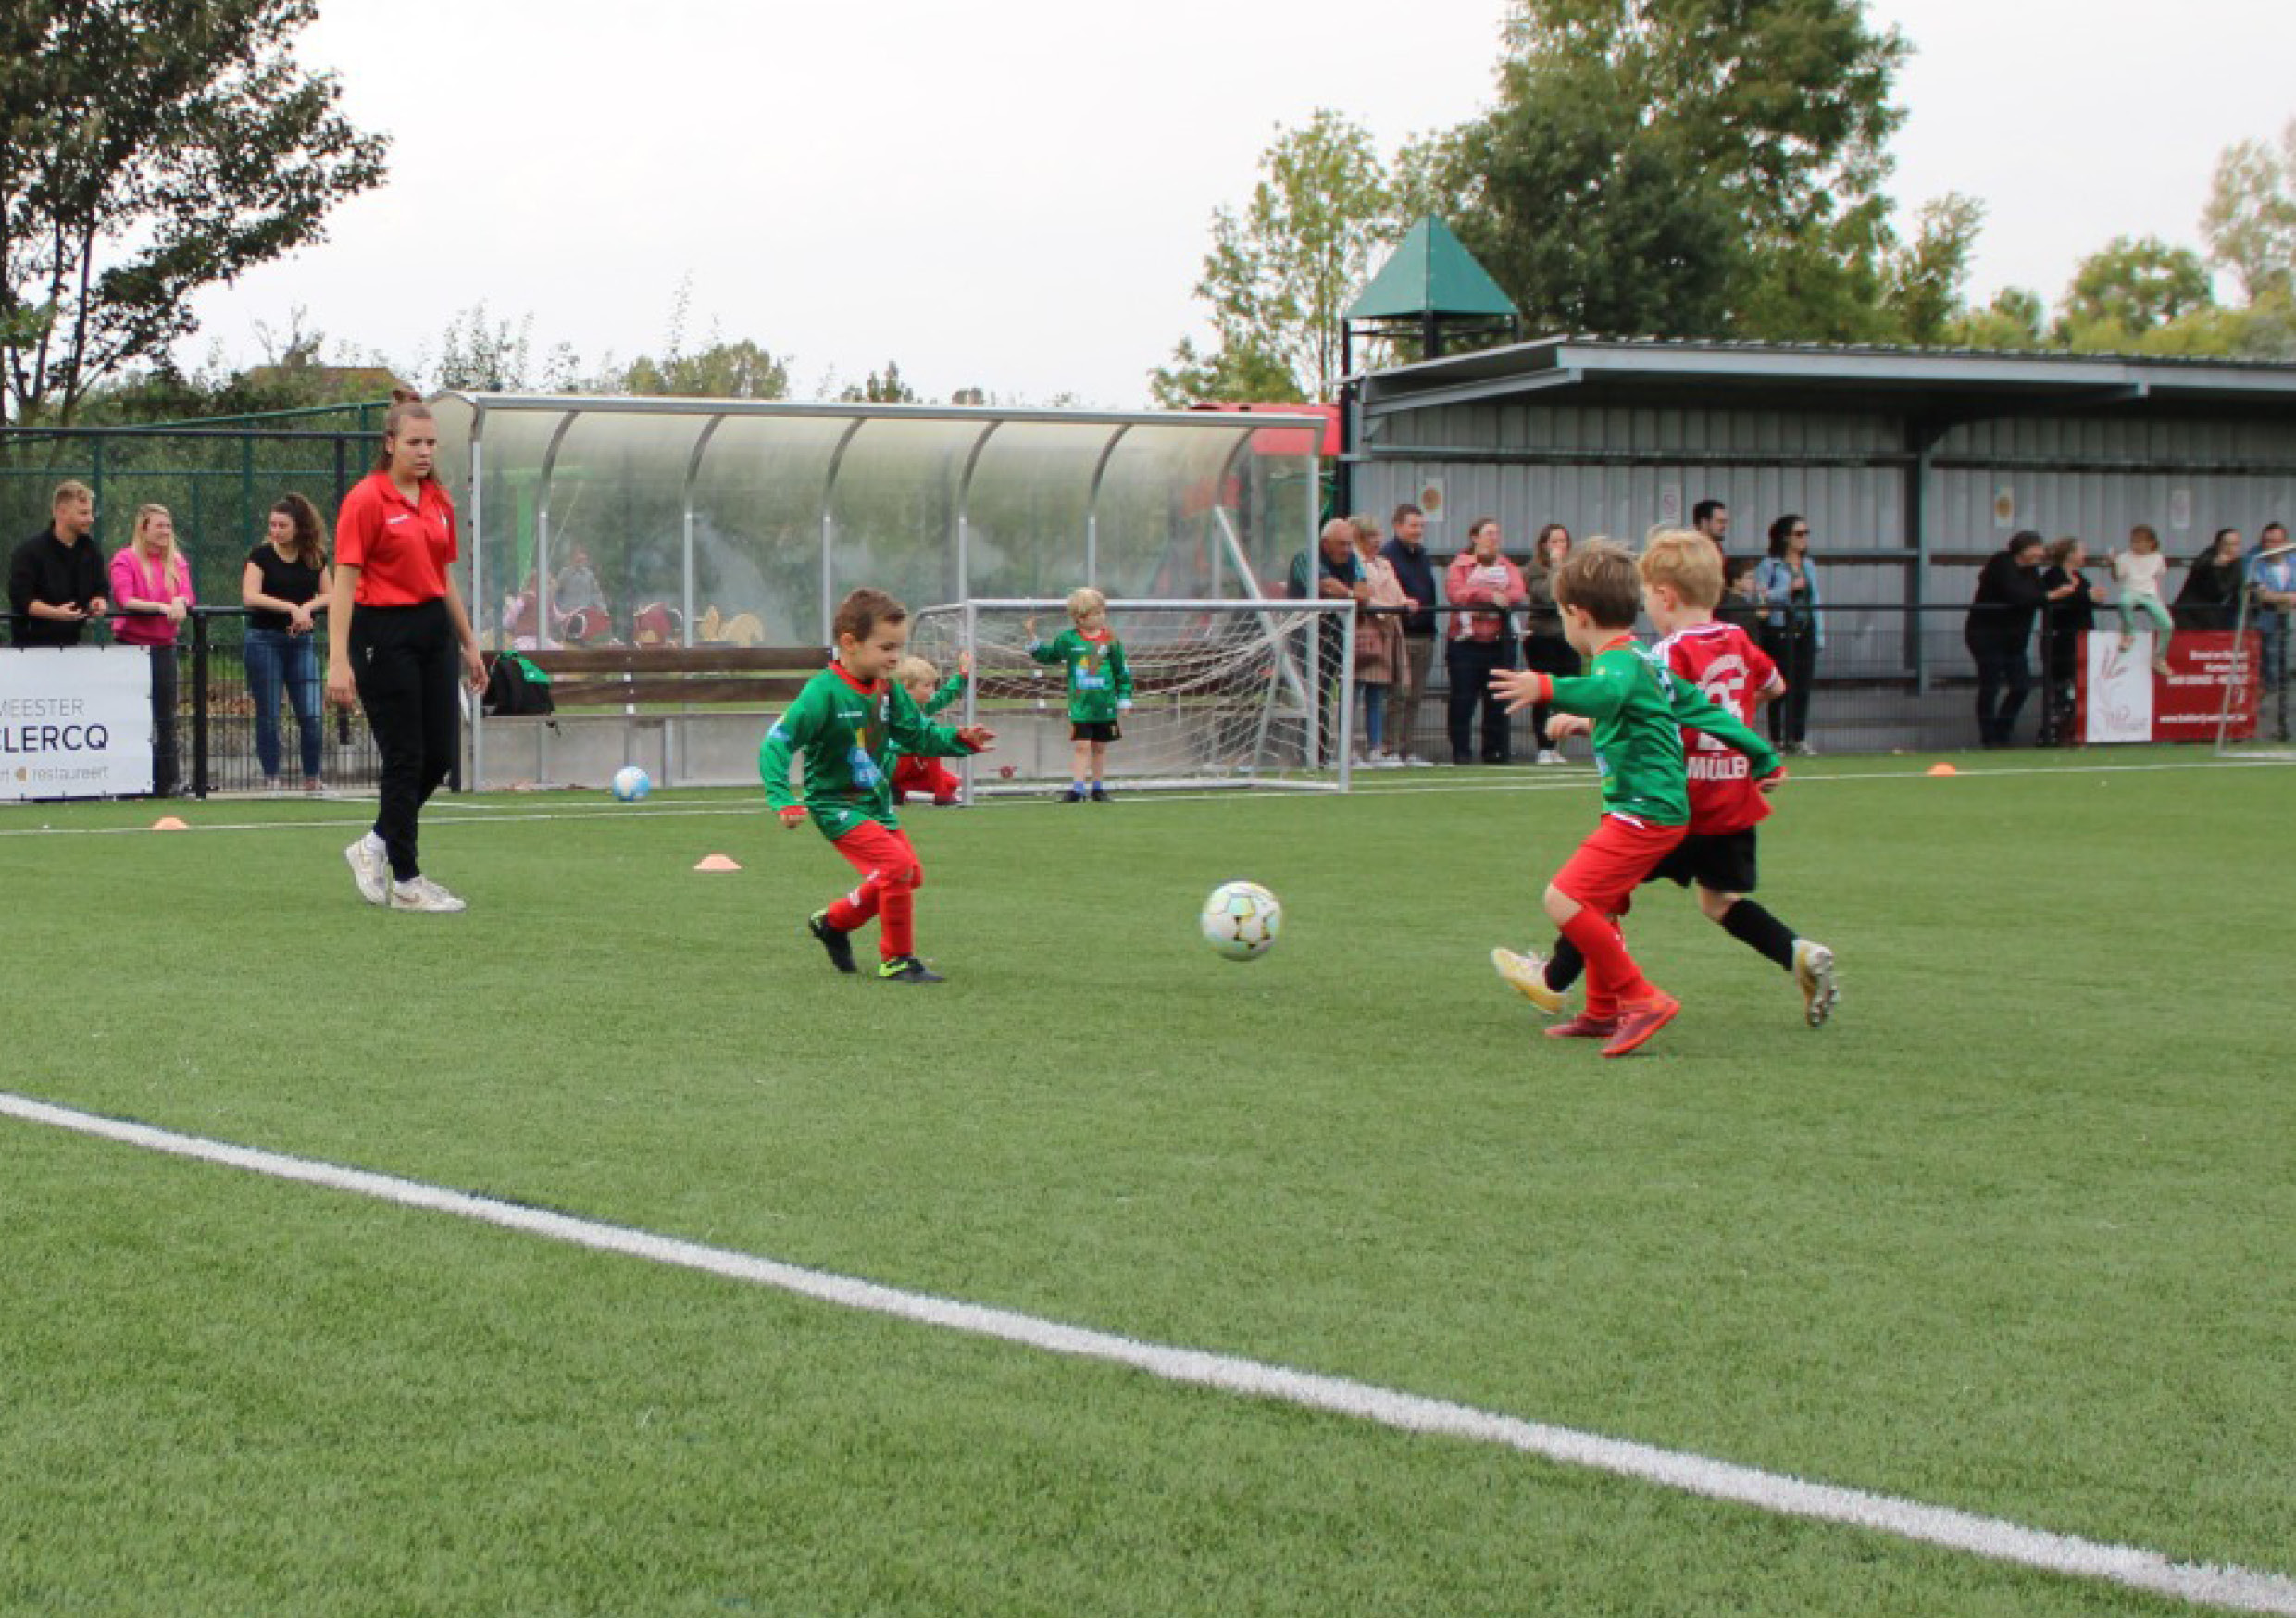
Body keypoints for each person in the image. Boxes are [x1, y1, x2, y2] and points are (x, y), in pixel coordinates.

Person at [1493, 530, 1834, 1027]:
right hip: (1730, 800)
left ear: (1665, 596)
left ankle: (1568, 982)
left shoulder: (1662, 653)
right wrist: (1757, 751)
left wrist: (1560, 698)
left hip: (1669, 800)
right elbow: (1771, 687)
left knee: (1590, 893)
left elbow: (1629, 703)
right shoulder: (1735, 641)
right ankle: (1794, 952)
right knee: (1717, 902)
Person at [762, 586, 993, 983]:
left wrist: (959, 741)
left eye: (899, 649)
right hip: (836, 804)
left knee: (909, 874)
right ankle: (897, 960)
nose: (895, 658)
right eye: (886, 647)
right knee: (895, 866)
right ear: (849, 644)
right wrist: (782, 796)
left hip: (876, 802)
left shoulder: (889, 691)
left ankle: (834, 922)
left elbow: (918, 734)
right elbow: (777, 742)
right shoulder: (822, 693)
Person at [327, 391, 486, 914]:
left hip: (431, 630)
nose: (424, 452)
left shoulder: (437, 500)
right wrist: (339, 659)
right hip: (382, 633)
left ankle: (373, 844)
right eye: (414, 442)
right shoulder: (365, 500)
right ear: (390, 443)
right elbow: (345, 585)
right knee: (405, 757)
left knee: (438, 756)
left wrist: (468, 642)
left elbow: (444, 578)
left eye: (432, 443)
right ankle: (409, 880)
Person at [242, 493, 333, 793]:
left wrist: (307, 608)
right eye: (272, 525)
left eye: (282, 525)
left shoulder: (314, 558)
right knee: (268, 713)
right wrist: (290, 608)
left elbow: (331, 594)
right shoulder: (261, 555)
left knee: (312, 713)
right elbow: (251, 595)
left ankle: (312, 777)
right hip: (264, 641)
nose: (276, 530)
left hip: (301, 643)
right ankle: (271, 777)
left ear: (299, 527)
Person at [107, 504, 196, 797]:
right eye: (159, 525)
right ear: (143, 528)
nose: (165, 531)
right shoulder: (125, 559)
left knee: (166, 717)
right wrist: (162, 607)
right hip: (132, 648)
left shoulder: (177, 562)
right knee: (132, 717)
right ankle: (128, 781)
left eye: (168, 526)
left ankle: (169, 781)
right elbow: (125, 599)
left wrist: (181, 601)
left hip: (163, 648)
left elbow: (188, 595)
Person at [1027, 586, 1132, 802]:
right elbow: (1050, 655)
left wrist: (1124, 699)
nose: (1101, 616)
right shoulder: (1068, 639)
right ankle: (1077, 789)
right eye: (1096, 613)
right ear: (1080, 618)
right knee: (1082, 745)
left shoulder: (1111, 640)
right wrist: (1032, 639)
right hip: (1080, 705)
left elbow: (1121, 671)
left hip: (1105, 705)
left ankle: (1098, 788)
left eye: (1103, 611)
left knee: (1100, 747)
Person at [1444, 517, 1527, 765]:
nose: (1494, 538)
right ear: (1475, 537)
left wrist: (1494, 598)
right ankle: (1461, 752)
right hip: (1465, 644)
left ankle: (1494, 750)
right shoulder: (1460, 566)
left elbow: (1517, 592)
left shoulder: (1507, 565)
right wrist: (1489, 595)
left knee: (1498, 699)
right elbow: (1456, 594)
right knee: (1462, 699)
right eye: (1489, 533)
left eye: (1497, 533)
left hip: (1499, 643)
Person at [1965, 529, 2050, 748]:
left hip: (2015, 639)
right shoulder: (2001, 564)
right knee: (1990, 685)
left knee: (2021, 685)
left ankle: (2003, 729)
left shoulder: (2032, 571)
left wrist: (2043, 596)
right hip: (1986, 634)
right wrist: (2042, 597)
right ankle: (1989, 736)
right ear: (2025, 549)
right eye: (2037, 547)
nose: (2041, 552)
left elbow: (2039, 594)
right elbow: (2018, 595)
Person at [1752, 514, 1822, 756]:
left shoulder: (1808, 565)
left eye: (1806, 534)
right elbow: (1761, 596)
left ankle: (1798, 737)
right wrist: (1786, 589)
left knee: (1802, 686)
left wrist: (1819, 632)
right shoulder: (1770, 565)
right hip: (1780, 630)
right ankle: (1776, 738)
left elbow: (1816, 600)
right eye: (1798, 534)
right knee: (1780, 684)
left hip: (1805, 629)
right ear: (1785, 537)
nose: (1803, 539)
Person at [9, 480, 108, 647]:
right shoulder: (29, 552)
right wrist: (56, 613)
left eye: (90, 513)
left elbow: (101, 588)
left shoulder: (91, 550)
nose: (90, 519)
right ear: (61, 512)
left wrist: (98, 602)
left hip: (71, 646)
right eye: (83, 513)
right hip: (29, 650)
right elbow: (22, 599)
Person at [1378, 503, 1439, 765]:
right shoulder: (1388, 556)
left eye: (1421, 525)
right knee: (1398, 695)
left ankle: (1407, 748)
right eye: (1413, 525)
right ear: (1398, 526)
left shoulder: (1422, 556)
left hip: (1425, 634)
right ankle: (1389, 748)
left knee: (1415, 696)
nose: (1418, 530)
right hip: (1401, 634)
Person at [1349, 514, 1408, 765]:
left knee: (1377, 694)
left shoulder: (1384, 564)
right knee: (1354, 693)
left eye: (1378, 536)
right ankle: (1347, 750)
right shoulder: (1353, 562)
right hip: (1363, 632)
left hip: (1386, 633)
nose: (1377, 541)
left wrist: (1404, 602)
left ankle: (1375, 748)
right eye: (1372, 536)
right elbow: (1362, 595)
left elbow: (1396, 592)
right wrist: (1384, 608)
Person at [1518, 522, 1578, 764]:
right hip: (1543, 636)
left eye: (1563, 541)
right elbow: (1546, 594)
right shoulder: (1534, 569)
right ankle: (1543, 745)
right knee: (1544, 691)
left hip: (1568, 635)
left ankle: (1557, 744)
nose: (1559, 546)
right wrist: (1555, 567)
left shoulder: (1573, 568)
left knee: (1568, 691)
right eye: (1554, 541)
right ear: (1544, 545)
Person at [2037, 536, 2105, 745]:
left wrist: (2094, 598)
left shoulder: (2079, 577)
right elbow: (2061, 601)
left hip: (2082, 636)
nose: (2085, 555)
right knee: (2062, 684)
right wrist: (2086, 597)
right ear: (2070, 554)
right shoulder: (2053, 575)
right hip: (2062, 638)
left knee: (2079, 685)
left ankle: (2074, 731)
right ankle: (2052, 733)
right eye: (2081, 551)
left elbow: (2083, 600)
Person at [890, 651, 971, 805]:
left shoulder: (922, 706)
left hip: (914, 765)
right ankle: (941, 796)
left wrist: (962, 673)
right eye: (926, 686)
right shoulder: (893, 710)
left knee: (952, 782)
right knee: (929, 745)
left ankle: (899, 789)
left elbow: (944, 696)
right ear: (906, 688)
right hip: (896, 761)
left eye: (933, 686)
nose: (931, 691)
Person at [2247, 521, 2294, 742]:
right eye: (2266, 541)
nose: (2270, 545)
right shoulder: (2255, 561)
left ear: (2285, 543)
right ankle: (2261, 728)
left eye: (2275, 541)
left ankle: (2286, 727)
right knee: (2269, 676)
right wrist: (2287, 598)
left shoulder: (2293, 561)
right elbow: (2259, 594)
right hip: (2265, 626)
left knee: (2288, 678)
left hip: (2290, 626)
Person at [2110, 524, 2175, 676]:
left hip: (2150, 594)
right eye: (2133, 542)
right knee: (2124, 602)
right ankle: (2128, 633)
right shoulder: (2125, 557)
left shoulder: (2157, 557)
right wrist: (2112, 564)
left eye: (2139, 542)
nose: (2135, 545)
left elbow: (2159, 574)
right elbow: (2116, 577)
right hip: (2131, 591)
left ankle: (2159, 658)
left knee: (2167, 624)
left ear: (2151, 543)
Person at [2175, 529, 2245, 630]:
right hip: (2190, 612)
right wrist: (2216, 566)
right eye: (2226, 544)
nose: (2230, 549)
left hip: (2213, 614)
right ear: (2217, 545)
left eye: (2235, 544)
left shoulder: (2237, 564)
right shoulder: (2207, 557)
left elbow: (2229, 590)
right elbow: (2218, 588)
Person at [554, 546, 608, 641]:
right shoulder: (565, 573)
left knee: (583, 640)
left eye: (583, 559)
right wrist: (556, 610)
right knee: (567, 640)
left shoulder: (589, 575)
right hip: (567, 614)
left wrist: (603, 609)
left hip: (584, 614)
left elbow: (596, 594)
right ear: (573, 559)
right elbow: (556, 592)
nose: (581, 561)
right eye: (578, 559)